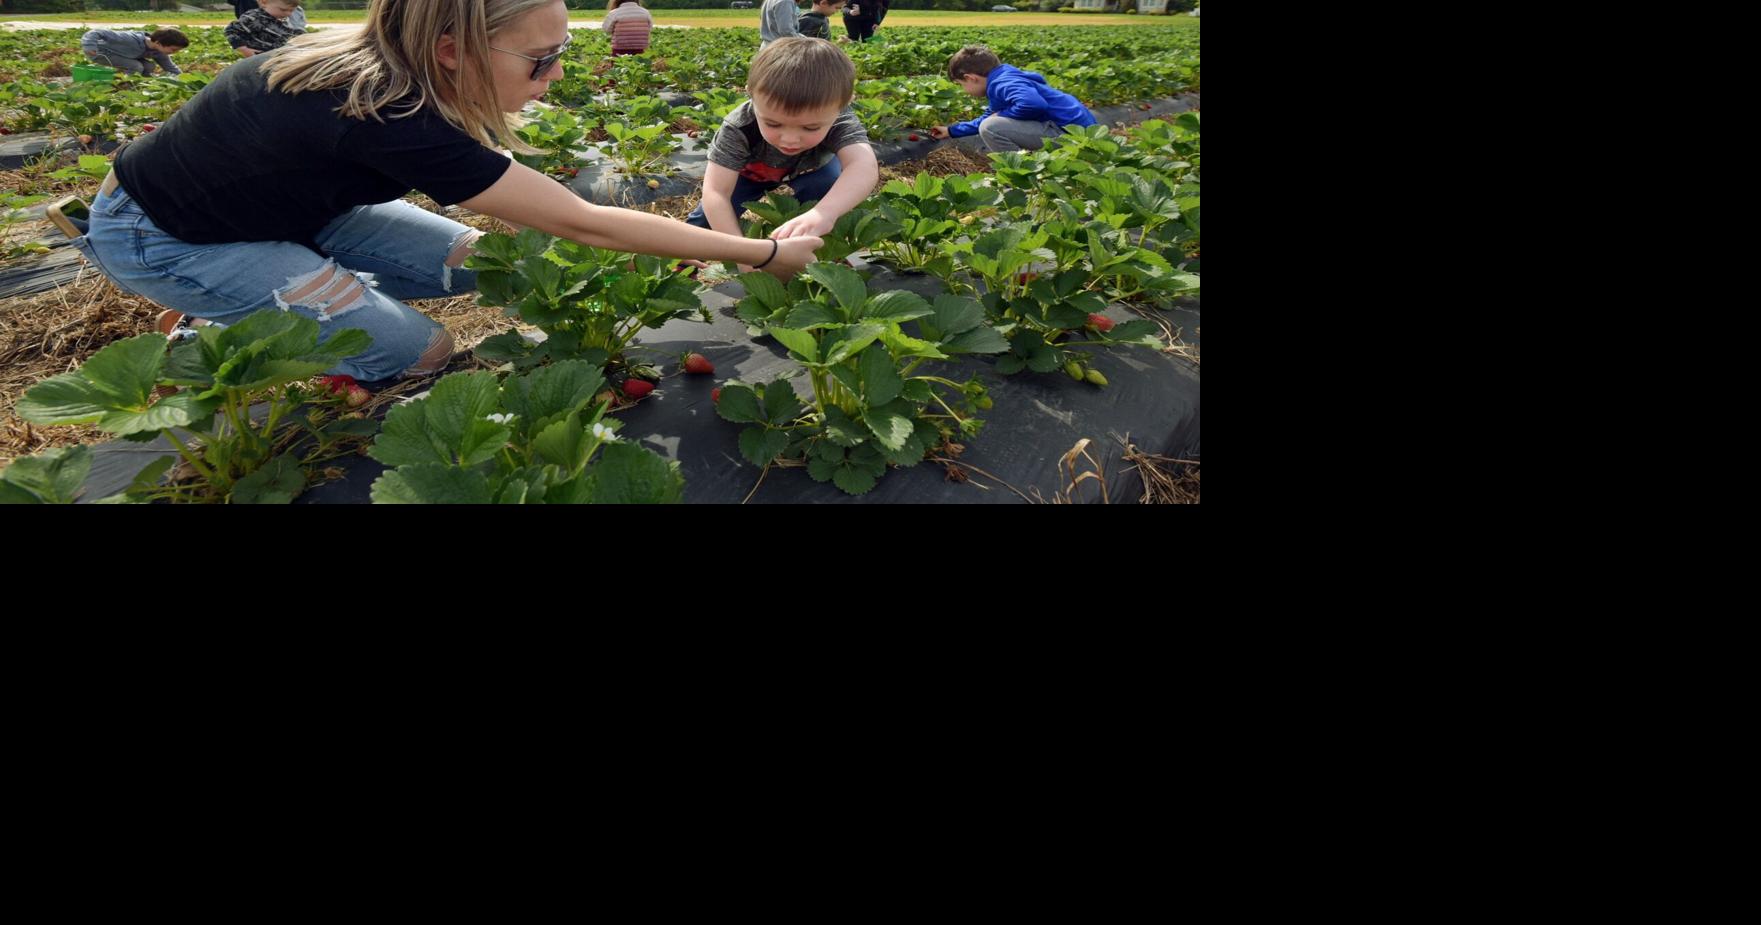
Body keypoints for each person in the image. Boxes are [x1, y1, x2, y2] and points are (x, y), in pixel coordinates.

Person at [71, 0, 821, 383]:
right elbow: (584, 222)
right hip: (169, 234)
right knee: (419, 352)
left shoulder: (394, 69)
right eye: (542, 58)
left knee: (503, 262)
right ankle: (222, 320)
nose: (556, 73)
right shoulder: (390, 113)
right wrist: (758, 253)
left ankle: (283, 295)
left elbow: (545, 231)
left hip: (299, 209)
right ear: (451, 48)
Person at [929, 44, 1098, 153]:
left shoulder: (1003, 83)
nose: (964, 91)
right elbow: (991, 114)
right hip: (1081, 131)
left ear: (971, 78)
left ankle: (1018, 173)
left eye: (961, 84)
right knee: (991, 122)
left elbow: (1034, 104)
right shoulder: (1003, 77)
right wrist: (951, 131)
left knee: (990, 127)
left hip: (1071, 135)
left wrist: (1003, 114)